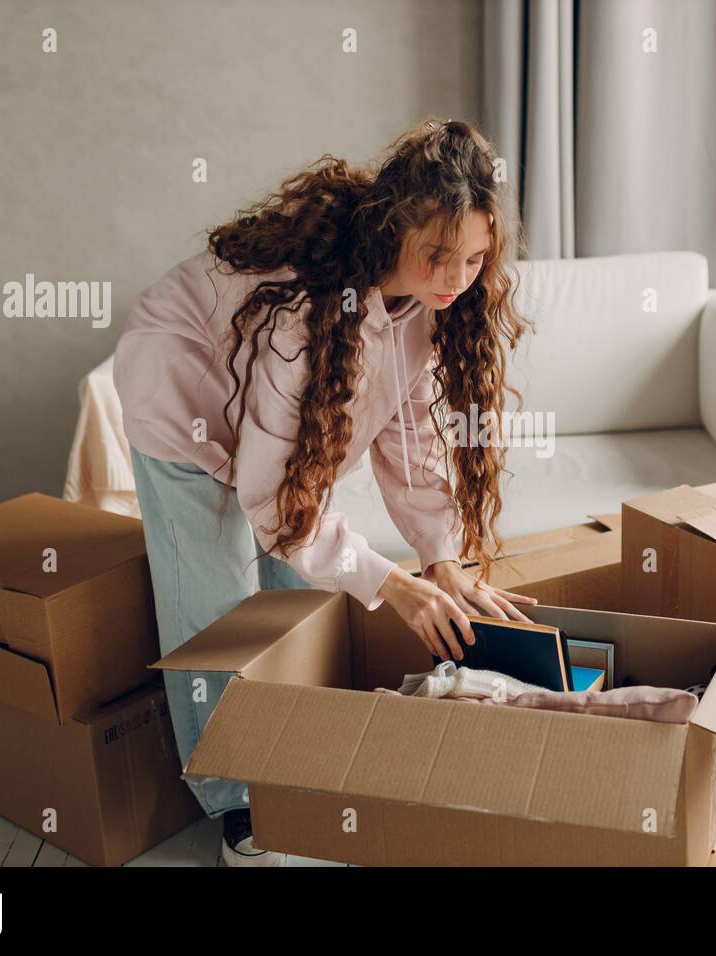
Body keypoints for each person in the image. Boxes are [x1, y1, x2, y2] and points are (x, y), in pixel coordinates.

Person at [112, 118, 538, 866]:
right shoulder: (304, 317)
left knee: (288, 597)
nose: (456, 277)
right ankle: (234, 801)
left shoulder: (425, 305)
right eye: (438, 254)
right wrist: (393, 586)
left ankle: (286, 757)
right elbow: (278, 502)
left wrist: (442, 559)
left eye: (474, 258)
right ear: (396, 225)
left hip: (259, 428)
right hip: (181, 393)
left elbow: (408, 438)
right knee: (218, 605)